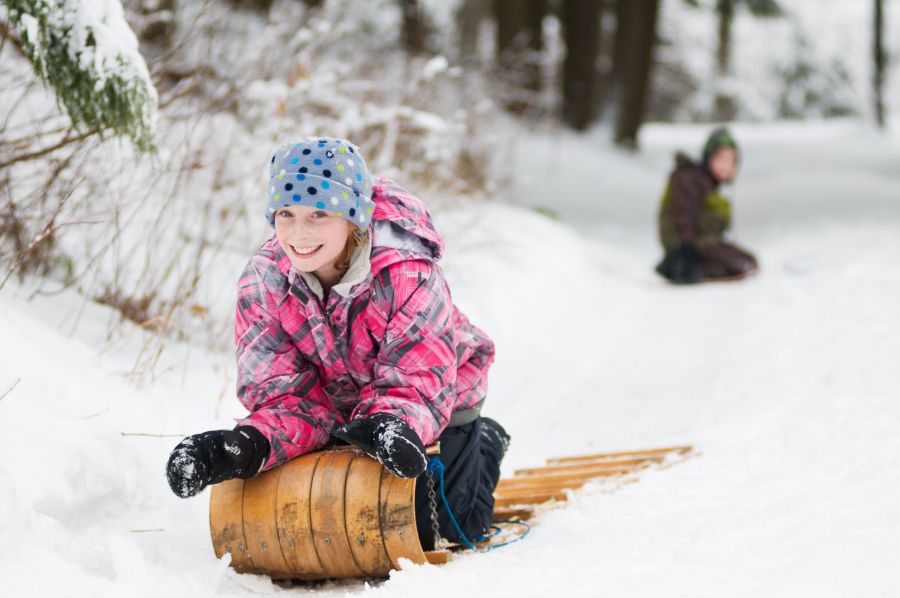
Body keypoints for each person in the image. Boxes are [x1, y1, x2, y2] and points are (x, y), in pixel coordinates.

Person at [165, 137, 509, 550]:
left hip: (441, 394)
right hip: (344, 406)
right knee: (342, 527)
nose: (298, 233)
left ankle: (483, 443)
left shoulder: (406, 273)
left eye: (319, 214)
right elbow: (285, 397)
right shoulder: (265, 281)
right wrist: (244, 446)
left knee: (438, 530)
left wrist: (391, 424)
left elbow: (417, 381)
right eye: (286, 214)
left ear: (353, 218)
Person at [655, 128, 758, 284]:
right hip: (687, 244)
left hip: (701, 242)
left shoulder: (708, 183)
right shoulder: (688, 178)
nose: (727, 166)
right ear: (708, 157)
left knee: (747, 262)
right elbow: (684, 214)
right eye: (721, 159)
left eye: (731, 161)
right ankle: (680, 268)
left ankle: (689, 269)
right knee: (743, 265)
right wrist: (686, 250)